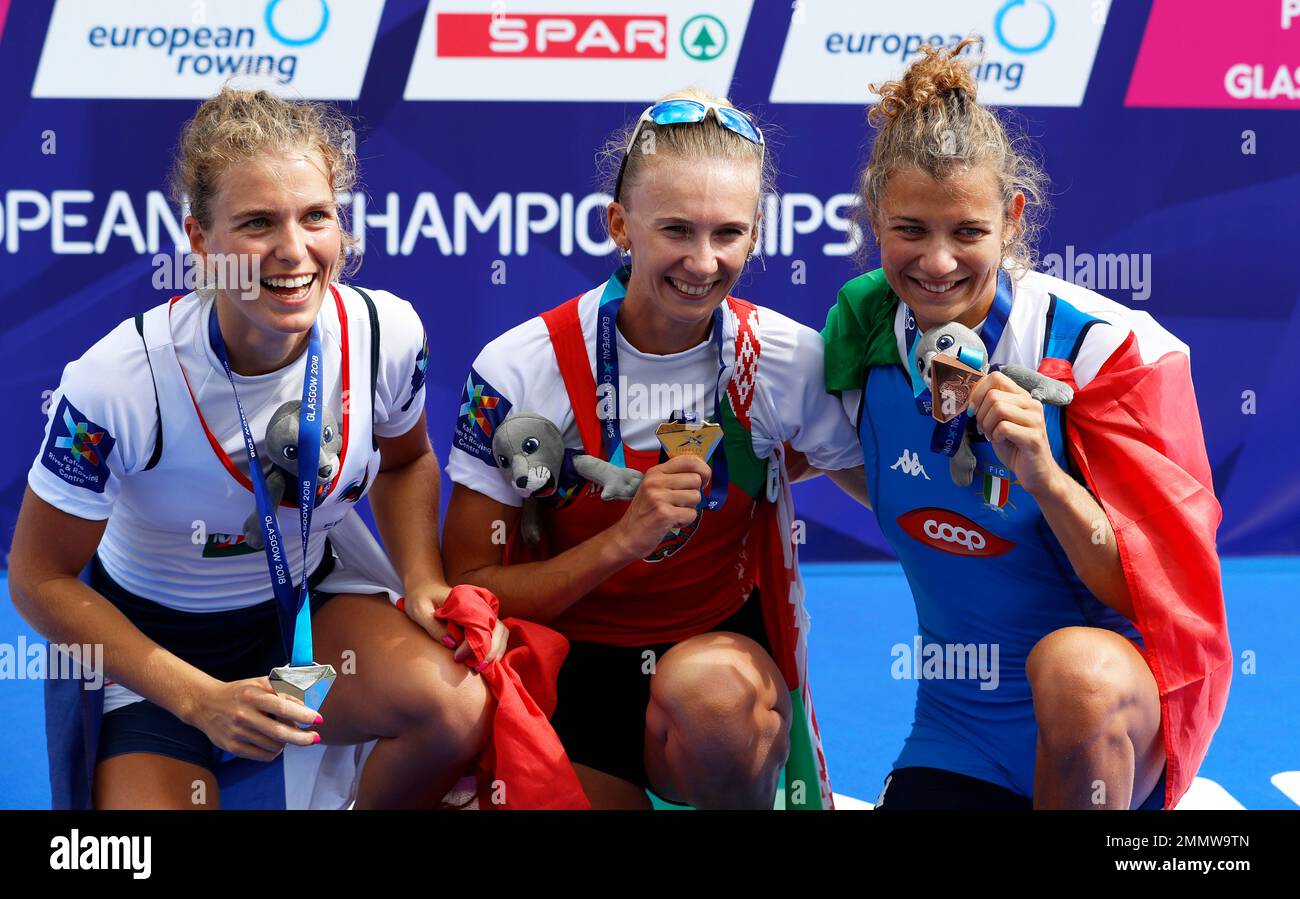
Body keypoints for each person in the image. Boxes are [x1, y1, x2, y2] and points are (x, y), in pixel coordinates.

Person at [9, 87, 505, 810]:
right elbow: (39, 580)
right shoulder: (120, 380)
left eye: (315, 217)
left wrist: (422, 577)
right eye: (256, 223)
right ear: (201, 242)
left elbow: (406, 462)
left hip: (306, 623)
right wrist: (200, 698)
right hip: (155, 661)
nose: (294, 250)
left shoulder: (385, 334)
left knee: (456, 707)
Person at [820, 39, 1231, 809]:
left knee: (1074, 670)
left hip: (1111, 708)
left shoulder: (1105, 349)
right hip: (958, 728)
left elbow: (1155, 594)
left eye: (967, 232)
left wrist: (1042, 474)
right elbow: (827, 459)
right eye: (910, 229)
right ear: (872, 215)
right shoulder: (861, 334)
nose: (937, 263)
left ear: (1011, 219)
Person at [442, 89, 862, 809]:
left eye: (728, 233)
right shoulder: (518, 369)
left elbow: (891, 486)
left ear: (756, 233)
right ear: (620, 225)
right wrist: (622, 540)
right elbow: (472, 583)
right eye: (676, 230)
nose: (703, 262)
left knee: (720, 708)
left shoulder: (786, 359)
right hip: (565, 666)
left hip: (713, 659)